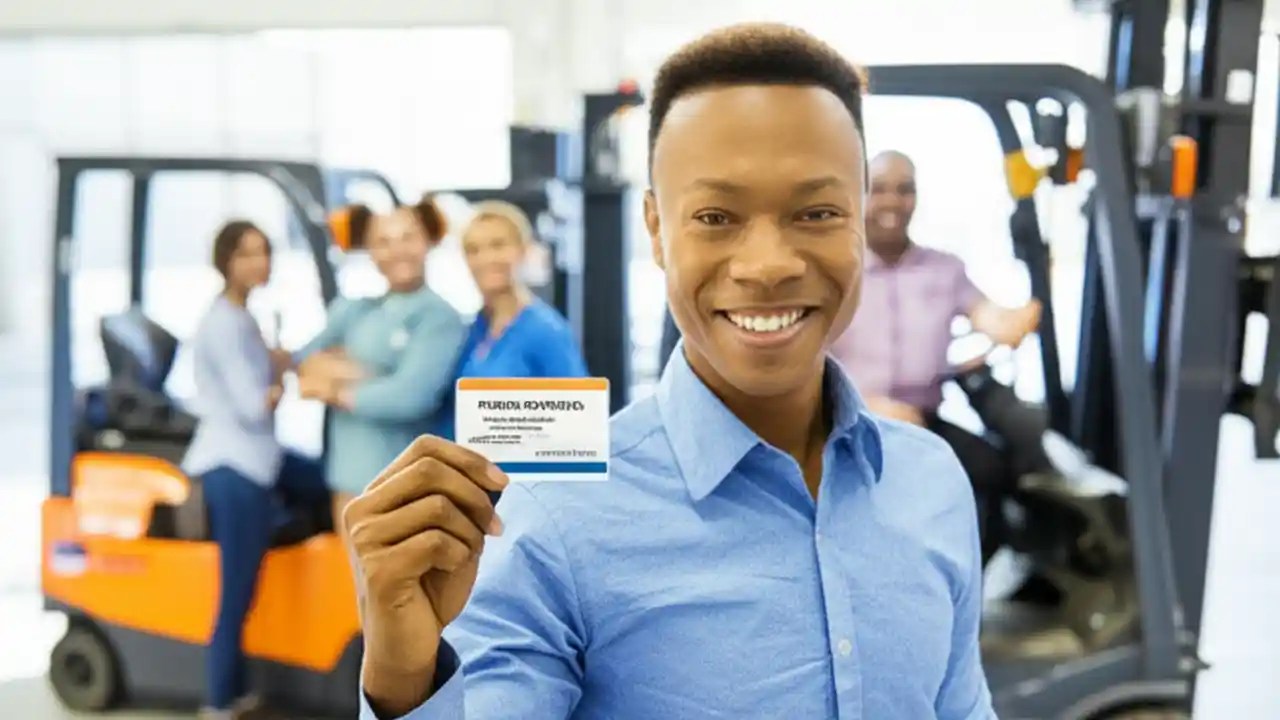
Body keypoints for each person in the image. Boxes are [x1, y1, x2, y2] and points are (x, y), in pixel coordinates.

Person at [344, 23, 994, 720]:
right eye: (716, 216)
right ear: (655, 229)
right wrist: (404, 676)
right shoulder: (556, 521)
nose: (768, 263)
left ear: (861, 219)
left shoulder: (931, 484)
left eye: (818, 211)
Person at [828, 150, 1041, 557]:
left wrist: (1021, 315)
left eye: (905, 190)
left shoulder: (945, 269)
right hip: (846, 421)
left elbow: (991, 319)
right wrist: (867, 404)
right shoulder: (836, 270)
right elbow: (806, 359)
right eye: (881, 189)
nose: (893, 201)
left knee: (994, 472)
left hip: (923, 421)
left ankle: (962, 590)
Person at [182, 220, 327, 720]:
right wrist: (296, 383)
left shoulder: (242, 315)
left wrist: (281, 360)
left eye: (263, 253)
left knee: (323, 480)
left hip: (258, 458)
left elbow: (258, 368)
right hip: (235, 468)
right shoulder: (223, 322)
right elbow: (252, 405)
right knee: (237, 590)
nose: (258, 263)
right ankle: (219, 702)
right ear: (225, 260)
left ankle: (238, 692)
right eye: (246, 254)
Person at [292, 196, 467, 533]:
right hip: (347, 483)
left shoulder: (439, 317)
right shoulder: (354, 309)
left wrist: (337, 384)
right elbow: (305, 367)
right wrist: (378, 376)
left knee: (394, 585)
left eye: (407, 237)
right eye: (383, 242)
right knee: (354, 585)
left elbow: (411, 396)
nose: (397, 250)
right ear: (369, 251)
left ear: (427, 241)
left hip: (402, 486)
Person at [433, 201, 588, 438]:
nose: (486, 258)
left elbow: (580, 425)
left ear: (523, 250)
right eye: (474, 250)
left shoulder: (545, 331)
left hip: (520, 473)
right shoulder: (475, 331)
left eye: (498, 245)